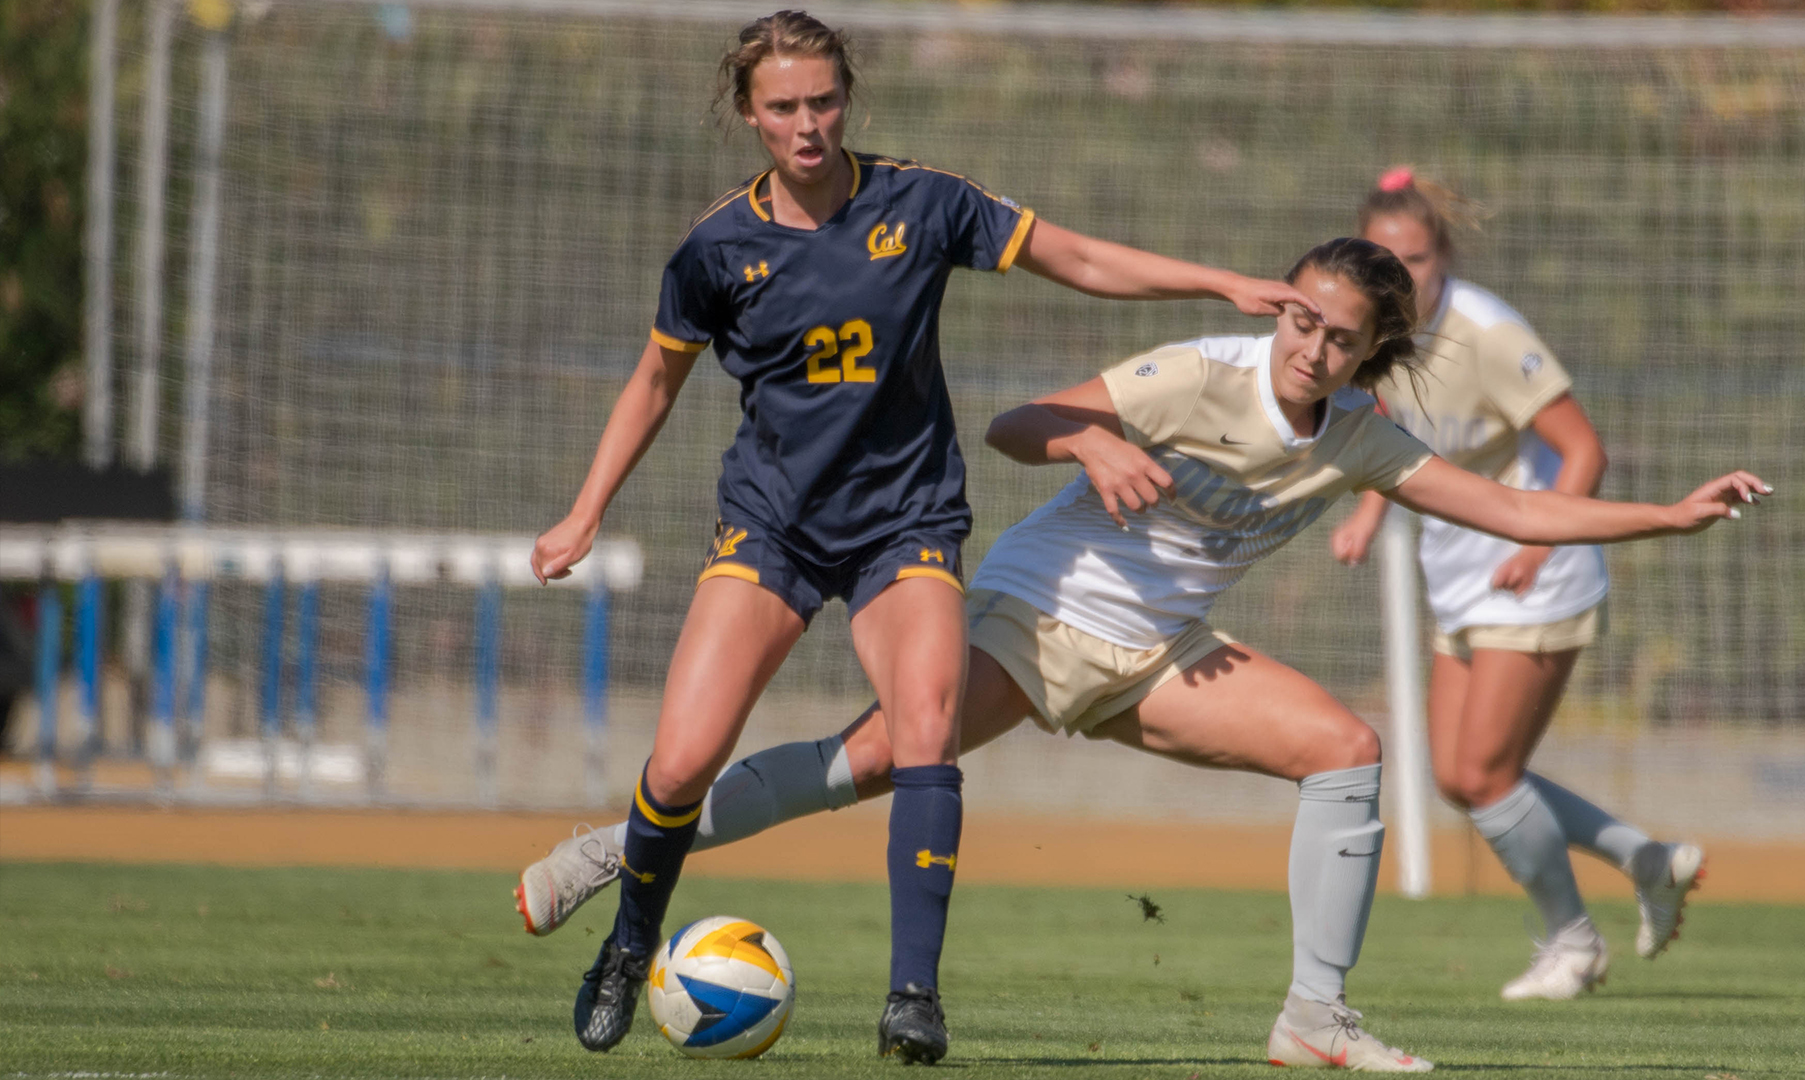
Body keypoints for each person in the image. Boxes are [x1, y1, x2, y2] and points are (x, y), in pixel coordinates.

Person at [523, 236, 1769, 1069]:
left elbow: (1516, 508)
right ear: (1278, 308)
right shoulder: (1200, 373)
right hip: (1037, 615)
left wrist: (1665, 513)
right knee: (861, 767)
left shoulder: (1358, 435)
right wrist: (1092, 443)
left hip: (1163, 655)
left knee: (1346, 753)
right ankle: (611, 850)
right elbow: (1018, 422)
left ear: (1368, 356)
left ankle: (1312, 1018)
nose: (1308, 346)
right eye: (1299, 317)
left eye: (1338, 337)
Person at [536, 10, 1327, 1061]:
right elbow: (652, 383)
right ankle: (631, 951)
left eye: (823, 101)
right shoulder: (716, 250)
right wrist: (586, 508)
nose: (808, 124)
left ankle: (913, 996)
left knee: (925, 723)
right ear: (748, 114)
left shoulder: (923, 200)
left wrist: (1217, 281)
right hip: (773, 528)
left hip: (904, 523)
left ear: (846, 97)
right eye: (784, 107)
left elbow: (1073, 255)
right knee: (679, 765)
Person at [1326, 167, 1705, 1000]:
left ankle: (1573, 943)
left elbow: (1586, 451)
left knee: (1488, 775)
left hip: (1539, 570)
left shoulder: (1488, 331)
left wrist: (1535, 544)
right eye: (1385, 260)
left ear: (1445, 254)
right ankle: (1645, 861)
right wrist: (1366, 512)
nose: (1404, 275)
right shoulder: (1378, 333)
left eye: (1418, 258)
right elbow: (1390, 427)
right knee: (1461, 779)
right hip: (1461, 576)